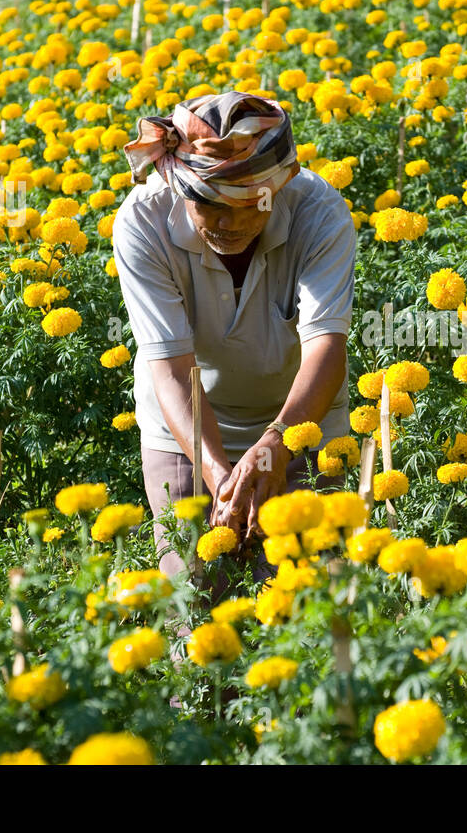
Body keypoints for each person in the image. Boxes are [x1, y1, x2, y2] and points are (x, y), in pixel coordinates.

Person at [112, 91, 354, 596]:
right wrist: (222, 479)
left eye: (247, 207)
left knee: (304, 601)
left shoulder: (320, 214)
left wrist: (274, 446)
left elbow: (327, 348)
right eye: (208, 204)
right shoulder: (143, 223)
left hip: (300, 421)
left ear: (279, 187)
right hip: (186, 430)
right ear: (176, 186)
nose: (228, 223)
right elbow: (172, 370)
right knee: (196, 600)